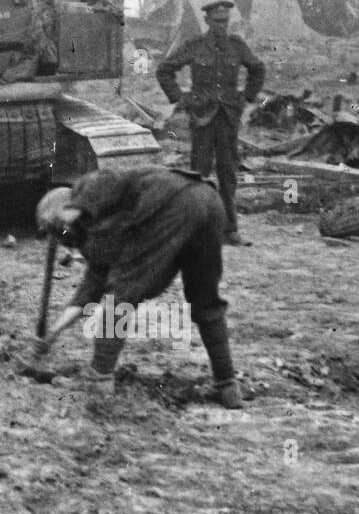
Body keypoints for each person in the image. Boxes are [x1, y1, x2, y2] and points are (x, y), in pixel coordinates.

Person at [32, 165, 244, 408]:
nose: (63, 241)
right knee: (205, 300)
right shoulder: (102, 236)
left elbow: (107, 178)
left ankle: (99, 379)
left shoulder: (86, 189)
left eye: (58, 232)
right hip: (209, 202)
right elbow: (87, 295)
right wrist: (50, 336)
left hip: (175, 203)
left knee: (120, 297)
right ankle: (227, 385)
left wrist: (67, 213)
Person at [155, 0, 265, 246]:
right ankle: (197, 230)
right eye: (216, 21)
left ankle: (230, 230)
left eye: (225, 21)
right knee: (198, 173)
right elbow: (164, 70)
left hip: (228, 116)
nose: (221, 26)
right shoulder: (194, 46)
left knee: (228, 173)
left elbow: (258, 69)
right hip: (202, 116)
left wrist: (246, 97)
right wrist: (180, 99)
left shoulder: (236, 45)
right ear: (207, 21)